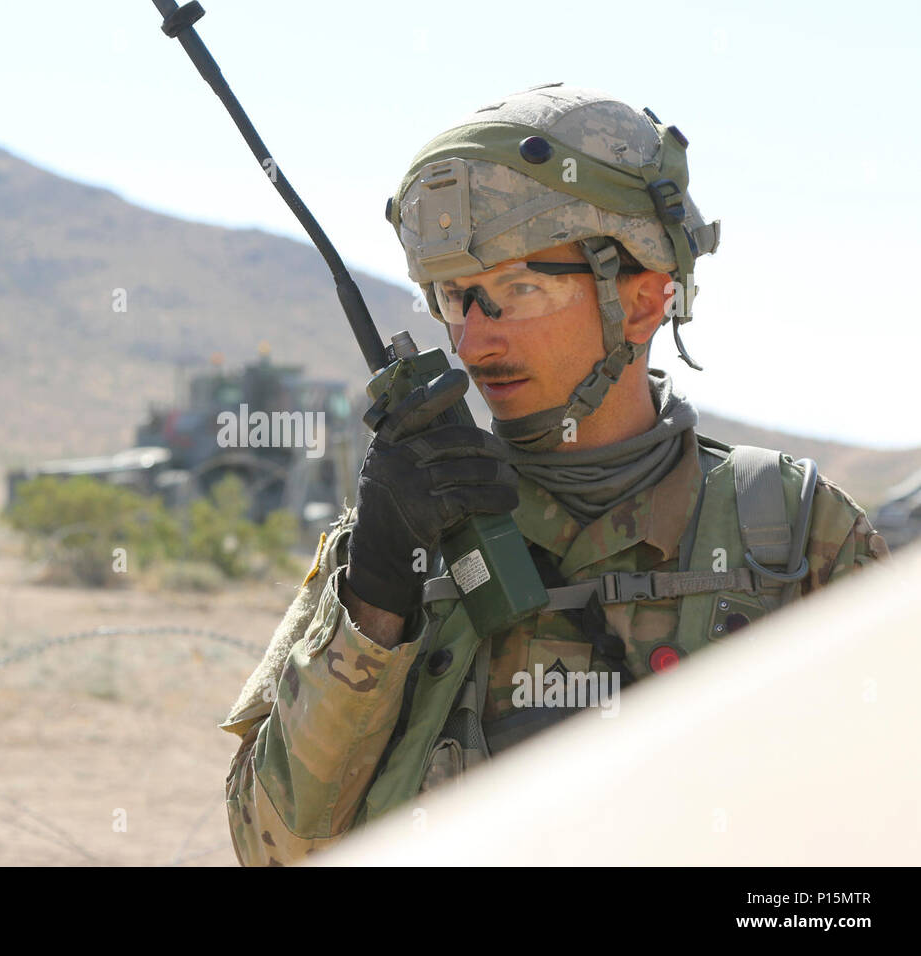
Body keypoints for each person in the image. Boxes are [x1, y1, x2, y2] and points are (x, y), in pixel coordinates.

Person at [219, 83, 890, 867]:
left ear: (642, 303)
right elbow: (273, 851)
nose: (472, 344)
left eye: (516, 291)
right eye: (453, 298)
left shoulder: (792, 529)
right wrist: (376, 594)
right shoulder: (399, 535)